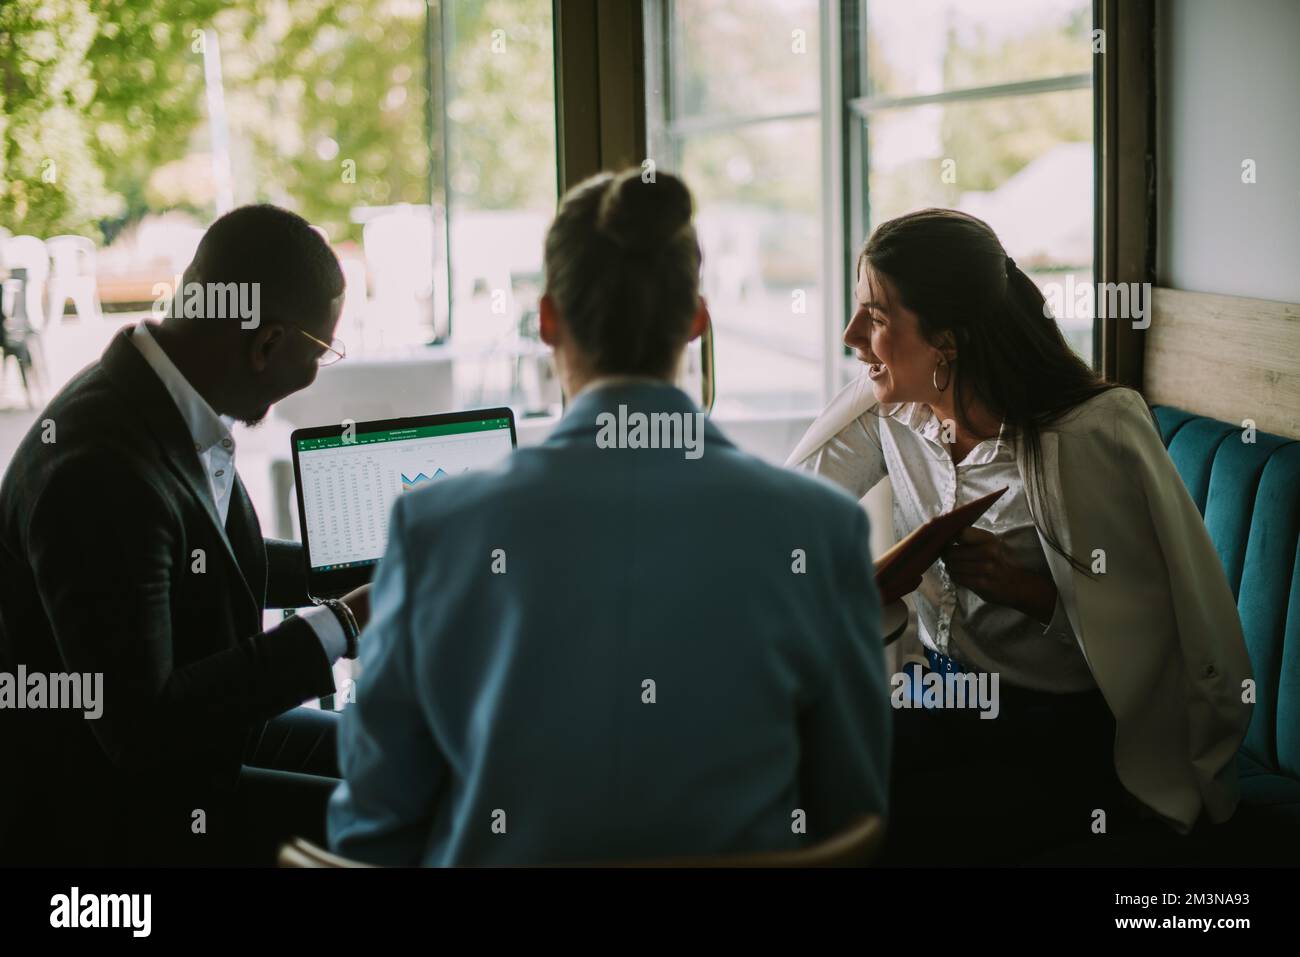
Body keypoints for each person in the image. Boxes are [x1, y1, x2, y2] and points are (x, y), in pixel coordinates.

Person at [327, 170, 891, 866]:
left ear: (546, 319)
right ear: (696, 319)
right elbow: (851, 814)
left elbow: (375, 827)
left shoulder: (434, 529)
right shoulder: (820, 529)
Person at [786, 208, 1253, 864]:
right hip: (938, 689)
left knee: (892, 827)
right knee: (797, 776)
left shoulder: (1088, 435)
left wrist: (1024, 588)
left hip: (1056, 724)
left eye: (877, 316)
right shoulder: (892, 408)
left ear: (946, 341)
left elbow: (1154, 641)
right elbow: (784, 515)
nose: (850, 335)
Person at [0, 205, 370, 865]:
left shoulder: (158, 398)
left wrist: (375, 568)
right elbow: (144, 729)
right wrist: (343, 623)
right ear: (266, 344)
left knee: (397, 755)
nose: (318, 371)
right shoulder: (102, 471)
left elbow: (217, 561)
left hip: (190, 748)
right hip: (118, 816)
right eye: (321, 350)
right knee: (400, 809)